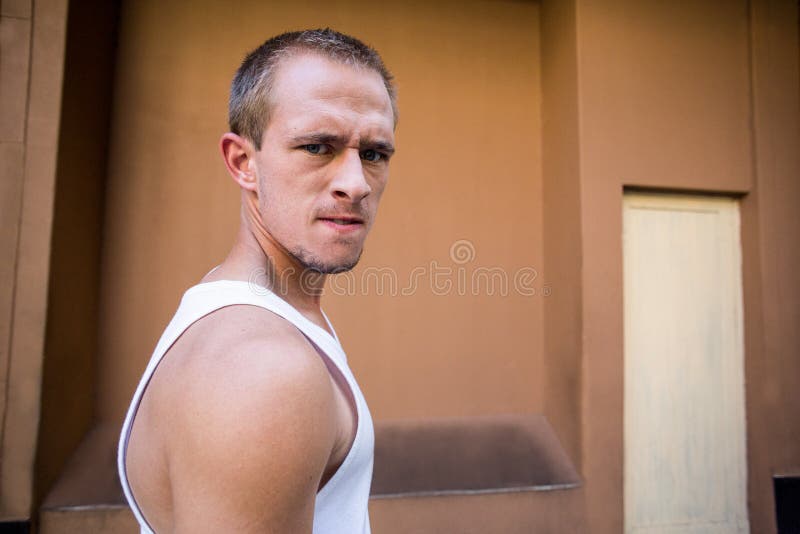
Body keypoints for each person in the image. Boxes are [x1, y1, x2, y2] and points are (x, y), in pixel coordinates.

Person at [117, 28, 397, 533]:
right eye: (318, 146)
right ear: (243, 163)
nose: (356, 184)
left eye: (374, 153)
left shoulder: (254, 313)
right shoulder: (262, 371)